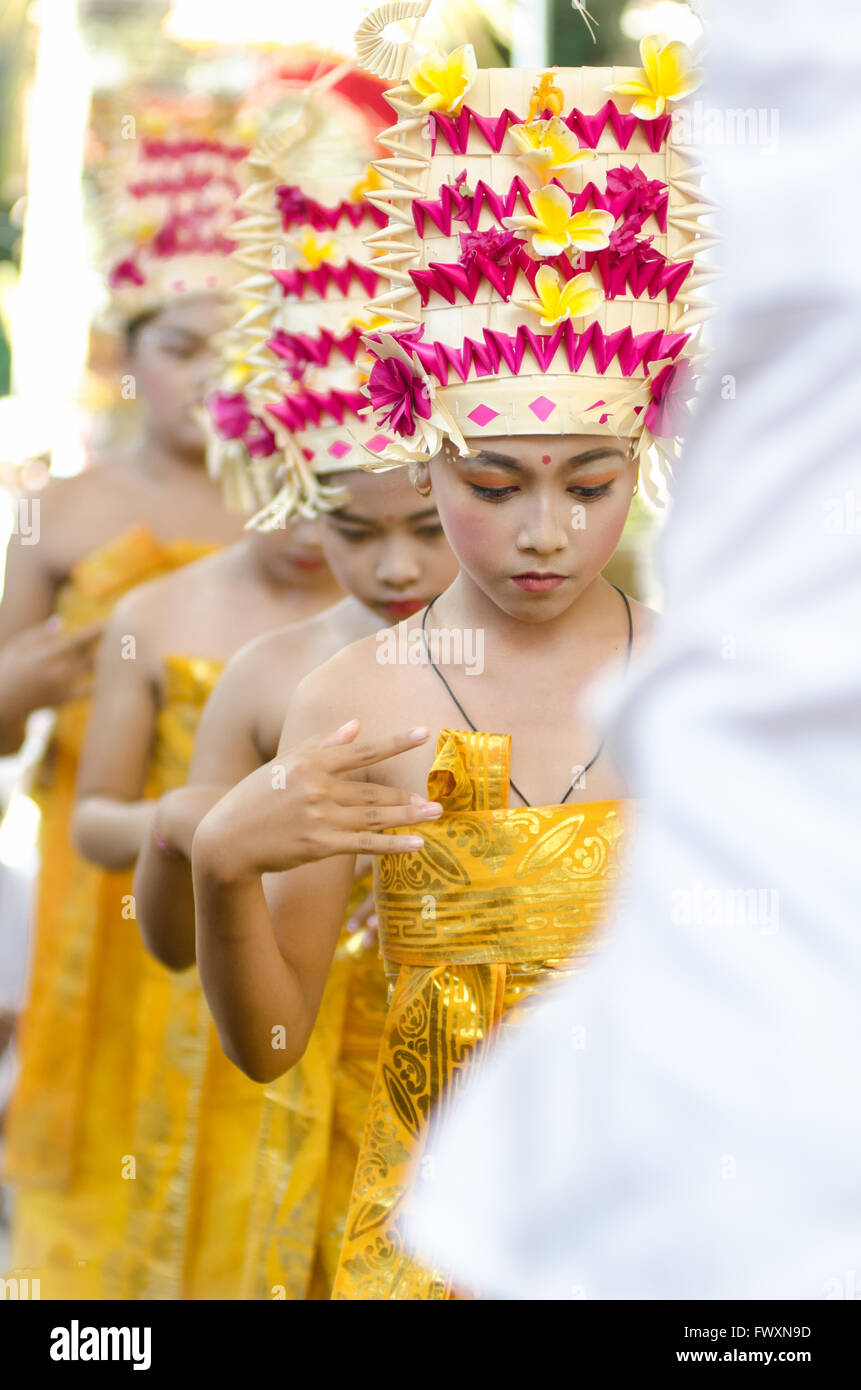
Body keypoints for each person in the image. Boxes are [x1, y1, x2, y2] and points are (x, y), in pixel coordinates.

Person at [191, 17, 708, 1300]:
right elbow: (270, 1043)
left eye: (590, 484)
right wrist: (218, 864)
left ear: (635, 464)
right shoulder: (351, 697)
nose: (544, 532)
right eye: (492, 483)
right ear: (425, 455)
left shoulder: (707, 686)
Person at [1, 107, 250, 1299]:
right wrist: (34, 679)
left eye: (238, 350)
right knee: (105, 1104)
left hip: (244, 837)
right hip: (94, 838)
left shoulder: (303, 524)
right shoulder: (65, 509)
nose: (211, 378)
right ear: (128, 350)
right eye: (183, 347)